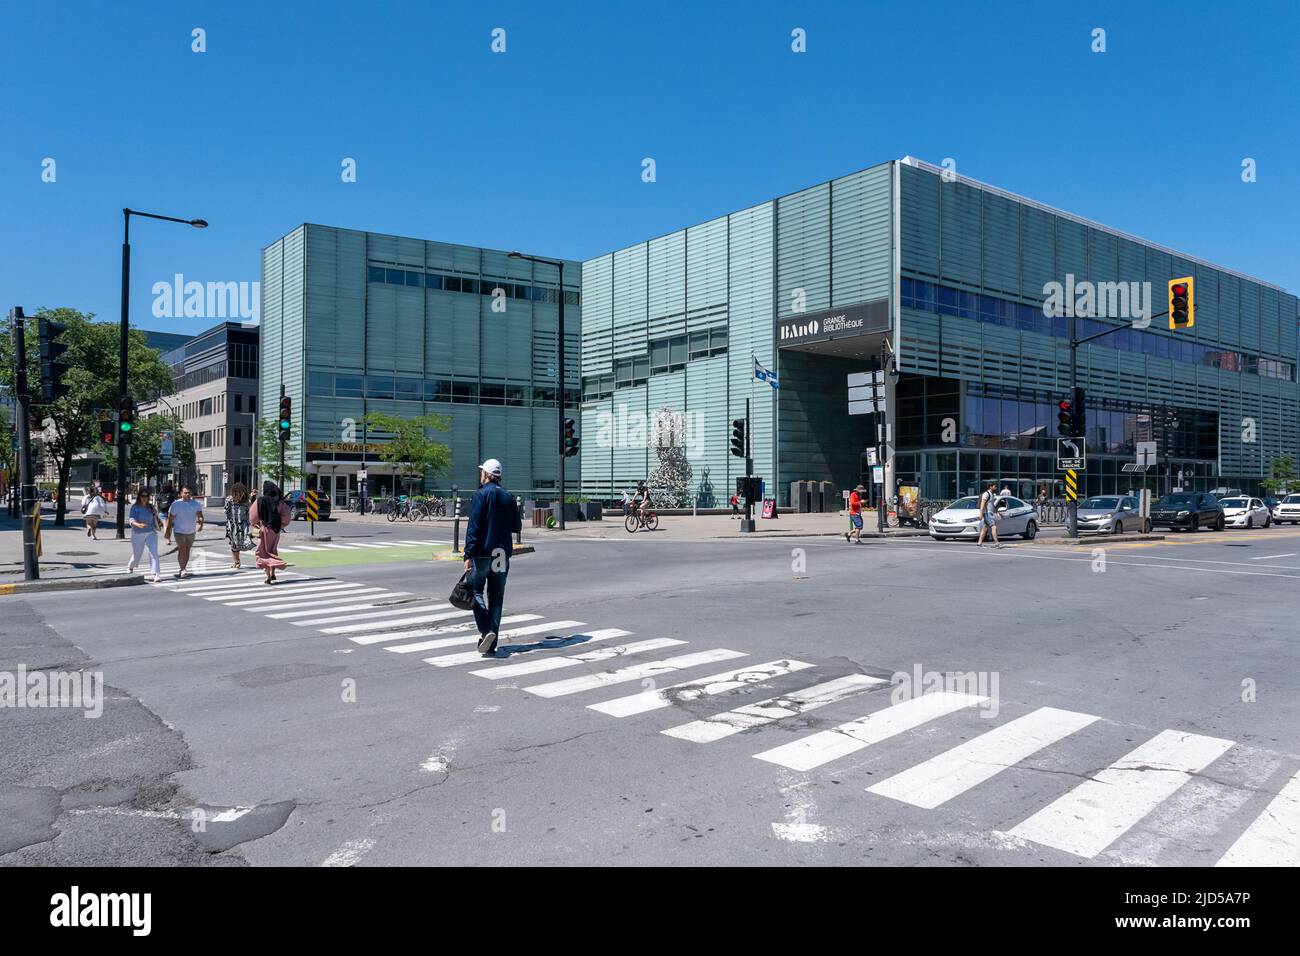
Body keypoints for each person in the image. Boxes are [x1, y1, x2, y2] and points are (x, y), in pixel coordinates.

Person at [463, 458, 521, 657]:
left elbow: (474, 527)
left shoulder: (481, 495)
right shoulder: (509, 497)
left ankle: (486, 630)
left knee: (474, 590)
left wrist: (468, 554)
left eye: (482, 472)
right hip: (502, 553)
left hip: (482, 553)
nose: (480, 475)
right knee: (496, 598)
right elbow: (517, 527)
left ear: (487, 474)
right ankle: (492, 642)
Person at [250, 481, 292, 585]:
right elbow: (287, 516)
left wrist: (255, 524)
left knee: (263, 552)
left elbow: (253, 516)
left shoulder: (260, 500)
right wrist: (281, 525)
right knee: (273, 550)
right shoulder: (279, 502)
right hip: (276, 530)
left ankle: (268, 576)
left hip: (264, 528)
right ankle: (273, 572)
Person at [164, 485, 205, 579]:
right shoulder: (176, 504)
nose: (187, 494)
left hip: (191, 531)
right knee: (182, 549)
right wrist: (168, 533)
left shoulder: (196, 504)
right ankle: (183, 569)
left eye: (189, 492)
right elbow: (170, 520)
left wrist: (201, 523)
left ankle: (183, 568)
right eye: (185, 492)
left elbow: (200, 515)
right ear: (181, 493)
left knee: (187, 550)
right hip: (179, 531)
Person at [126, 489, 162, 583]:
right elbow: (131, 519)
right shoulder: (135, 507)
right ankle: (131, 566)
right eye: (142, 496)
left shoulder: (151, 507)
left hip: (151, 532)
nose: (144, 498)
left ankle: (156, 574)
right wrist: (137, 524)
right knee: (137, 554)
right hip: (137, 533)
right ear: (139, 497)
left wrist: (155, 513)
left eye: (146, 496)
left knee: (153, 553)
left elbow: (156, 517)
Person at [224, 483, 252, 569]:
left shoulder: (229, 499)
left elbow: (225, 510)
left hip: (232, 524)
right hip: (243, 524)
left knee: (233, 544)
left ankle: (236, 561)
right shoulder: (247, 501)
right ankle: (237, 561)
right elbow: (249, 512)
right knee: (242, 541)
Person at [977, 480, 1002, 548]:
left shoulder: (992, 494)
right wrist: (981, 514)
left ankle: (979, 542)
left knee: (985, 528)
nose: (996, 488)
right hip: (987, 513)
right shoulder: (986, 494)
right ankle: (997, 543)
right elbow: (982, 504)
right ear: (991, 486)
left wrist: (997, 512)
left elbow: (992, 505)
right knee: (994, 527)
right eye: (995, 486)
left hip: (989, 513)